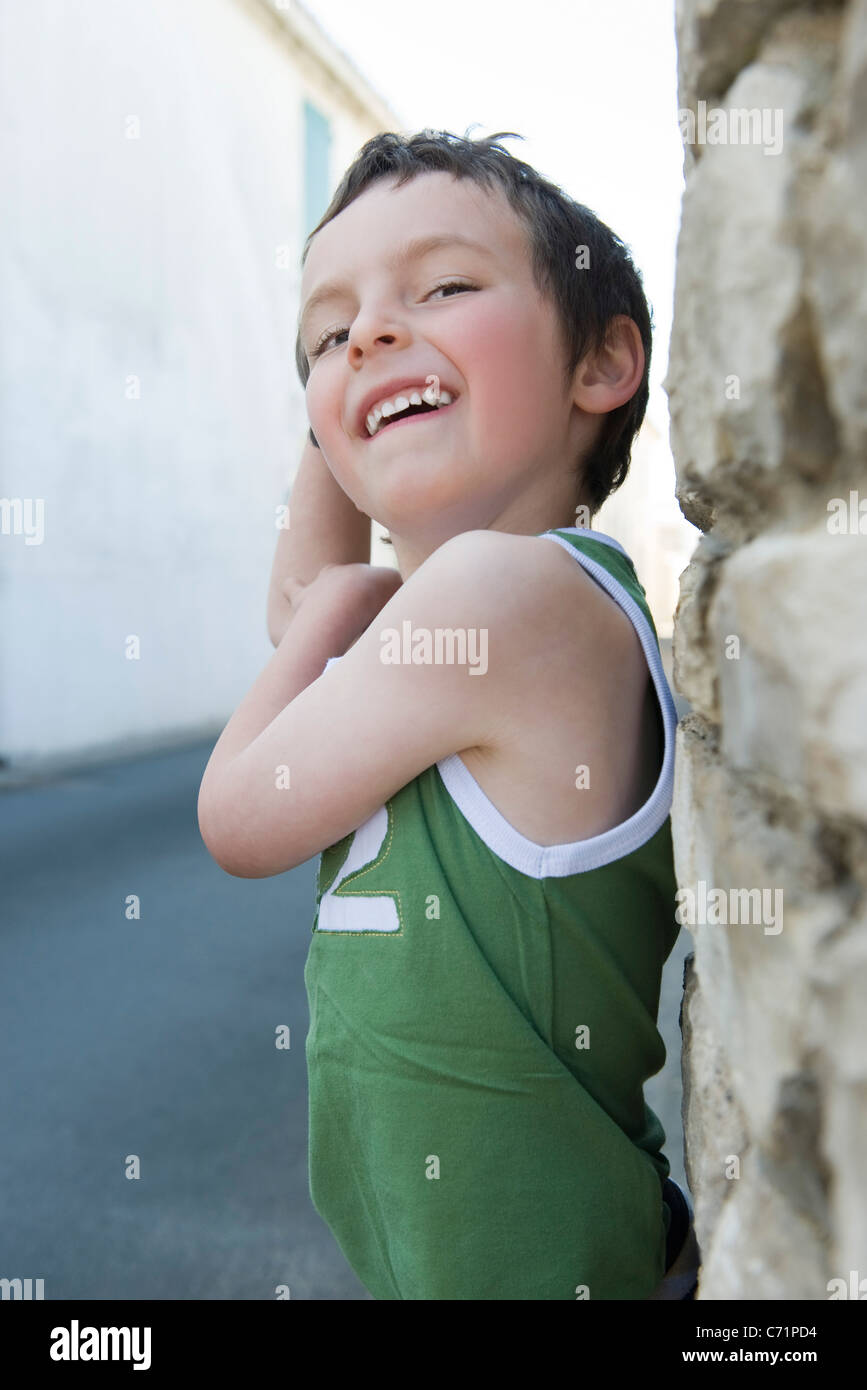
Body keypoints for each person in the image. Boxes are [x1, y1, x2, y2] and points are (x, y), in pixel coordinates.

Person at [198, 128, 700, 1300]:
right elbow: (301, 615)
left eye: (445, 287)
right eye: (329, 330)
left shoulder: (508, 597)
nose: (370, 329)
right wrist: (357, 402)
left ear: (602, 363)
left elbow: (241, 814)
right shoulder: (471, 622)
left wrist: (350, 410)